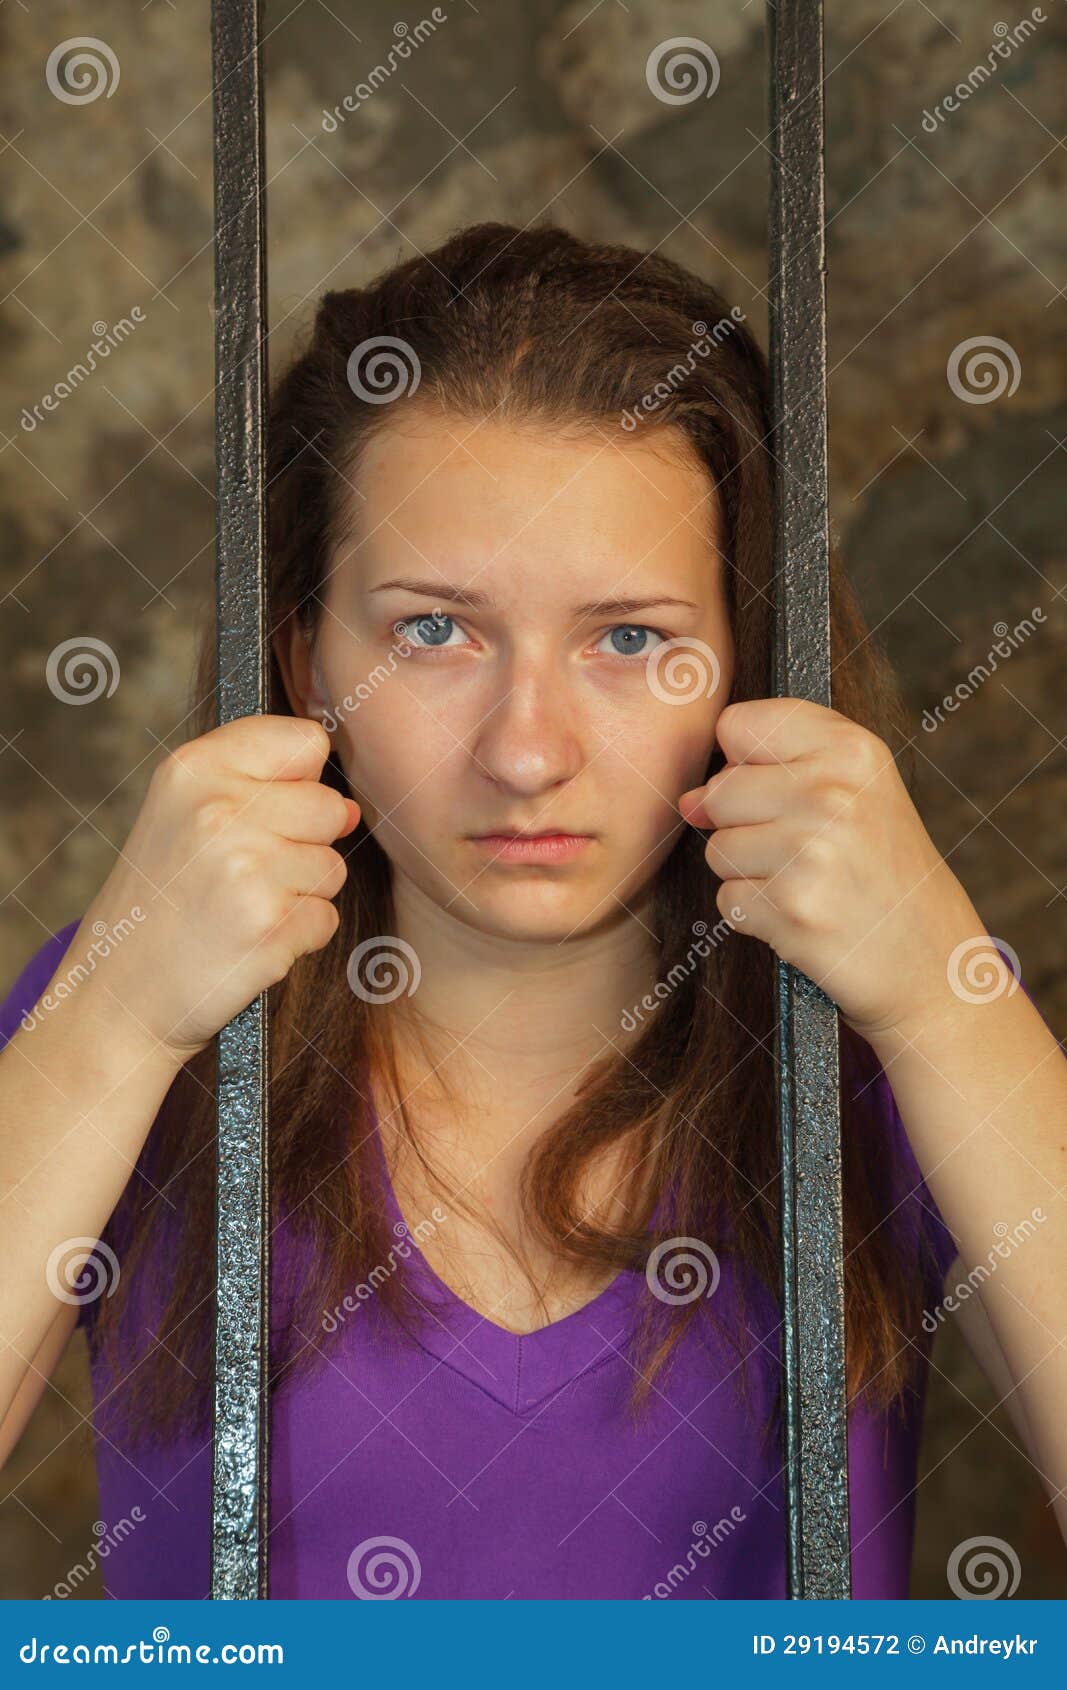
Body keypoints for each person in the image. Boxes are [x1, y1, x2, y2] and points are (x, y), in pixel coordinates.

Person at [1, 222, 1063, 1601]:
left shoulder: (887, 1038)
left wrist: (934, 993)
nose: (526, 750)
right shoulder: (121, 1014)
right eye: (432, 630)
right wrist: (118, 1020)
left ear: (748, 652)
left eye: (630, 639)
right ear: (299, 650)